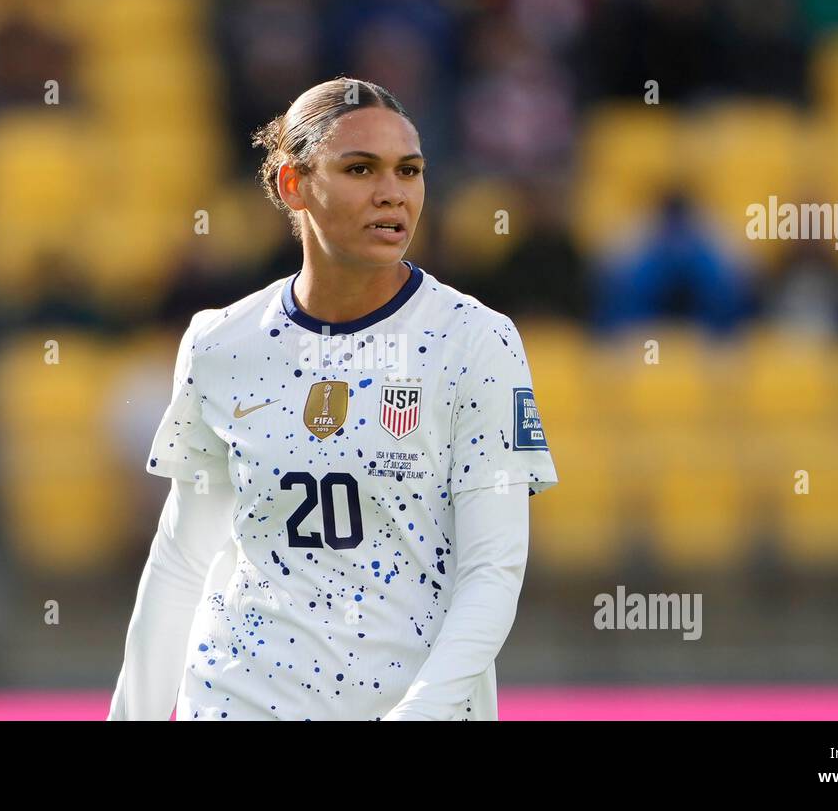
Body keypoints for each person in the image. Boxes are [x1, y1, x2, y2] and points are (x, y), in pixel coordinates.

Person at [108, 78, 557, 721]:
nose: (392, 192)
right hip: (239, 699)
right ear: (294, 185)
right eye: (359, 169)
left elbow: (493, 569)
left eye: (409, 170)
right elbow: (183, 556)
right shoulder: (219, 342)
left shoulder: (476, 341)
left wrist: (419, 714)